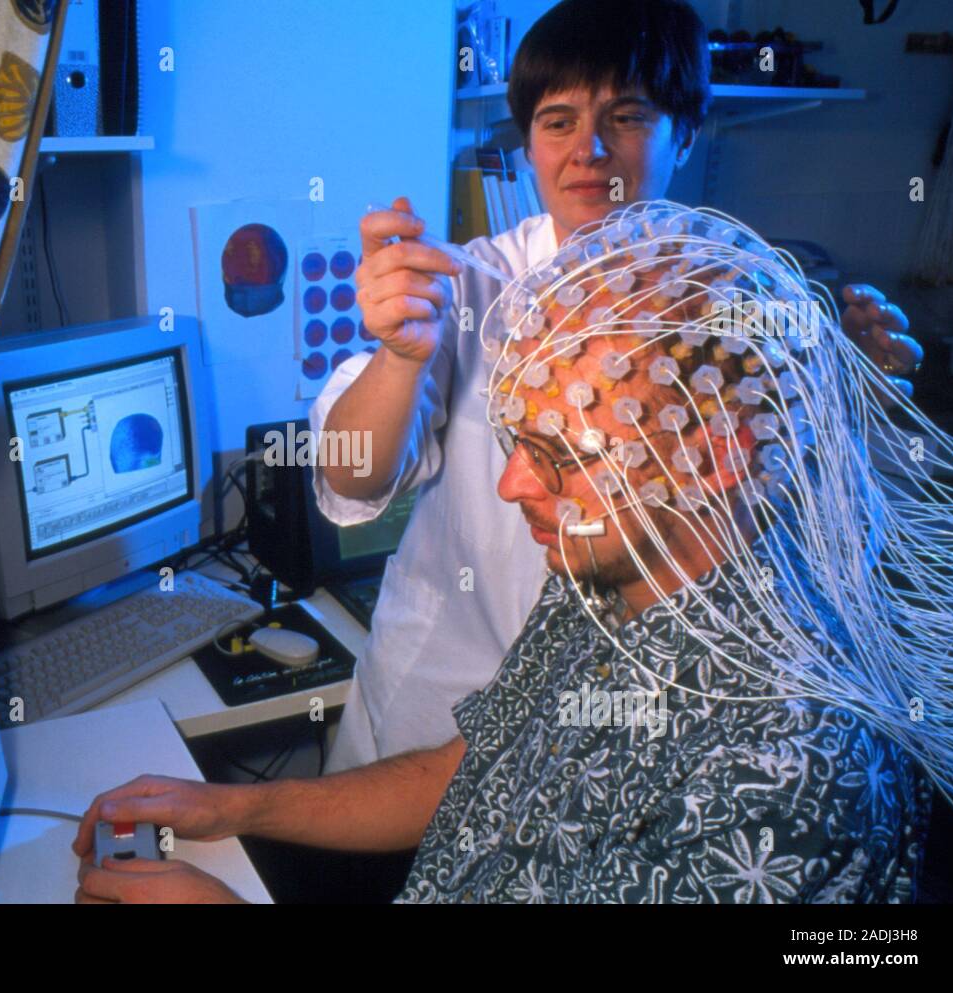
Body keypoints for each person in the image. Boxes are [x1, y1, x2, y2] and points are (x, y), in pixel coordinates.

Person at [69, 200, 953, 903]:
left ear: (715, 453)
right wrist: (238, 806)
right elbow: (475, 769)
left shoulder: (789, 776)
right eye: (517, 445)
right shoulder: (604, 579)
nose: (512, 487)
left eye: (563, 458)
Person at [312, 0, 921, 772]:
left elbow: (793, 506)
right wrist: (400, 358)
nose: (588, 151)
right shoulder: (470, 288)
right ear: (529, 145)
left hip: (624, 739)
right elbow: (349, 473)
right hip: (434, 712)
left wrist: (857, 390)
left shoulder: (727, 304)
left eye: (627, 117)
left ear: (686, 132)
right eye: (557, 121)